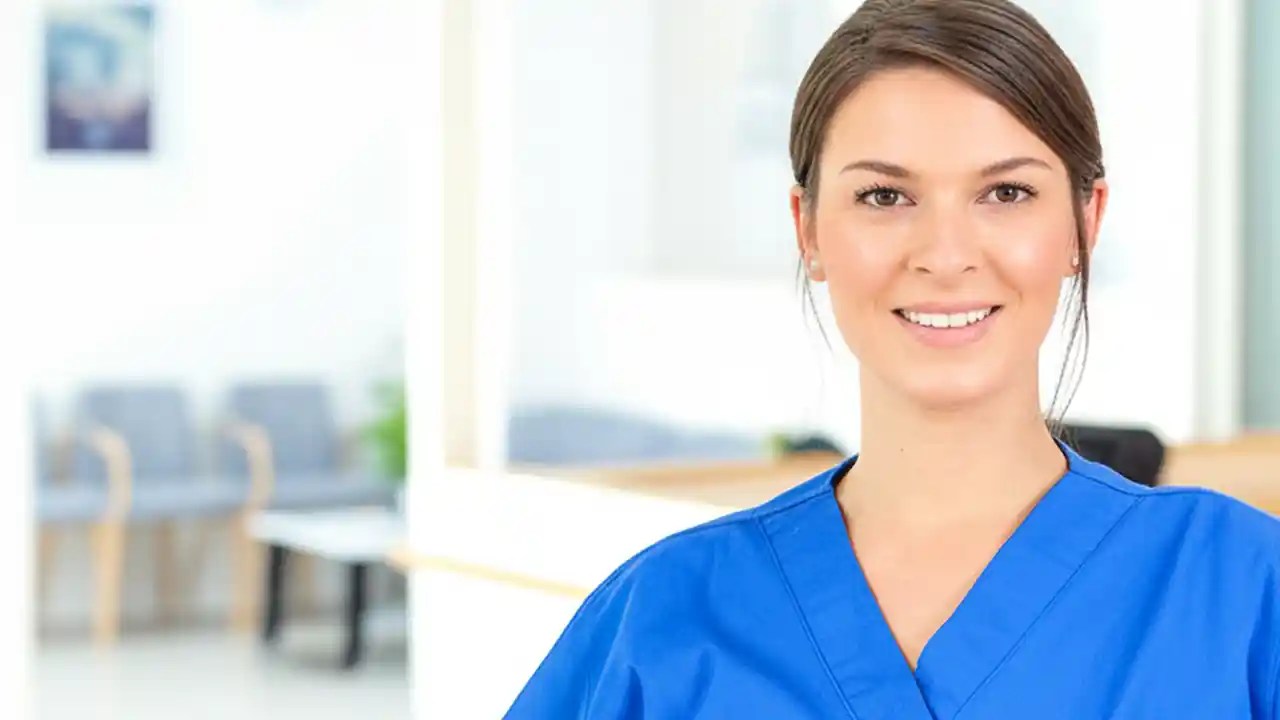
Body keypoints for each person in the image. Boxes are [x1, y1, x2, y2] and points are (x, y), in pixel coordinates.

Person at [506, 1, 1280, 717]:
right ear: (807, 229)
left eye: (1006, 193)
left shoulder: (1242, 593)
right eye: (885, 196)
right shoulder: (663, 618)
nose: (945, 256)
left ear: (1086, 222)